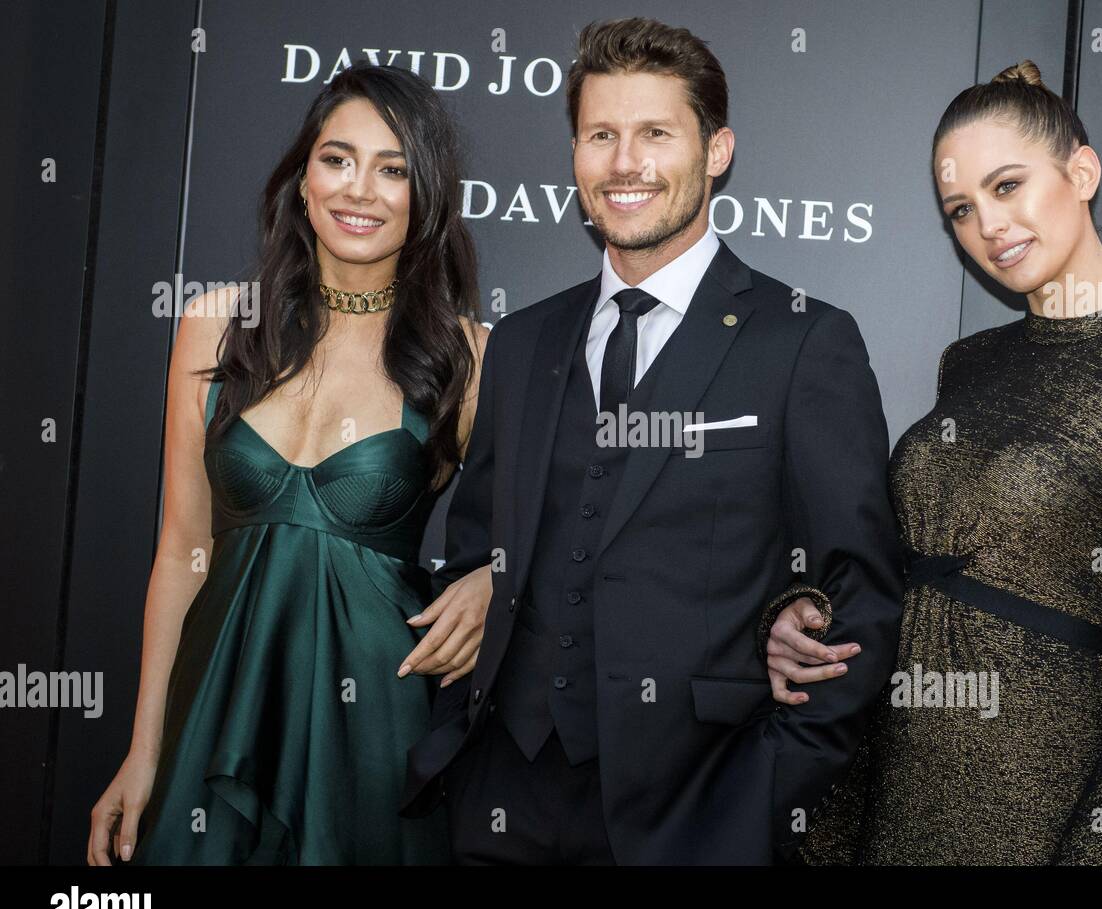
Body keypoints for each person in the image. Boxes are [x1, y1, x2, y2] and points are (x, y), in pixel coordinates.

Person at [398, 17, 903, 865]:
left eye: (655, 134)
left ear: (717, 152)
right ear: (575, 157)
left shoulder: (802, 341)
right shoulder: (522, 344)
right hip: (500, 803)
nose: (624, 163)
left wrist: (756, 800)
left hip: (695, 816)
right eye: (601, 136)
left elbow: (860, 596)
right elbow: (478, 554)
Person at [764, 61, 1102, 864]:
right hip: (890, 757)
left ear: (1080, 172)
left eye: (1008, 186)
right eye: (961, 209)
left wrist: (1095, 854)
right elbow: (897, 552)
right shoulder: (970, 361)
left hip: (1035, 791)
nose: (989, 225)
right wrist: (803, 608)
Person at [88, 64, 494, 865]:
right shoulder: (215, 327)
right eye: (338, 158)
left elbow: (557, 535)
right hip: (217, 708)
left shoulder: (467, 356)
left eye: (394, 169)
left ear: (426, 199)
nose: (361, 190)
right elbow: (179, 553)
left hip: (376, 726)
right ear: (302, 179)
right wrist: (145, 749)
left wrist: (492, 582)